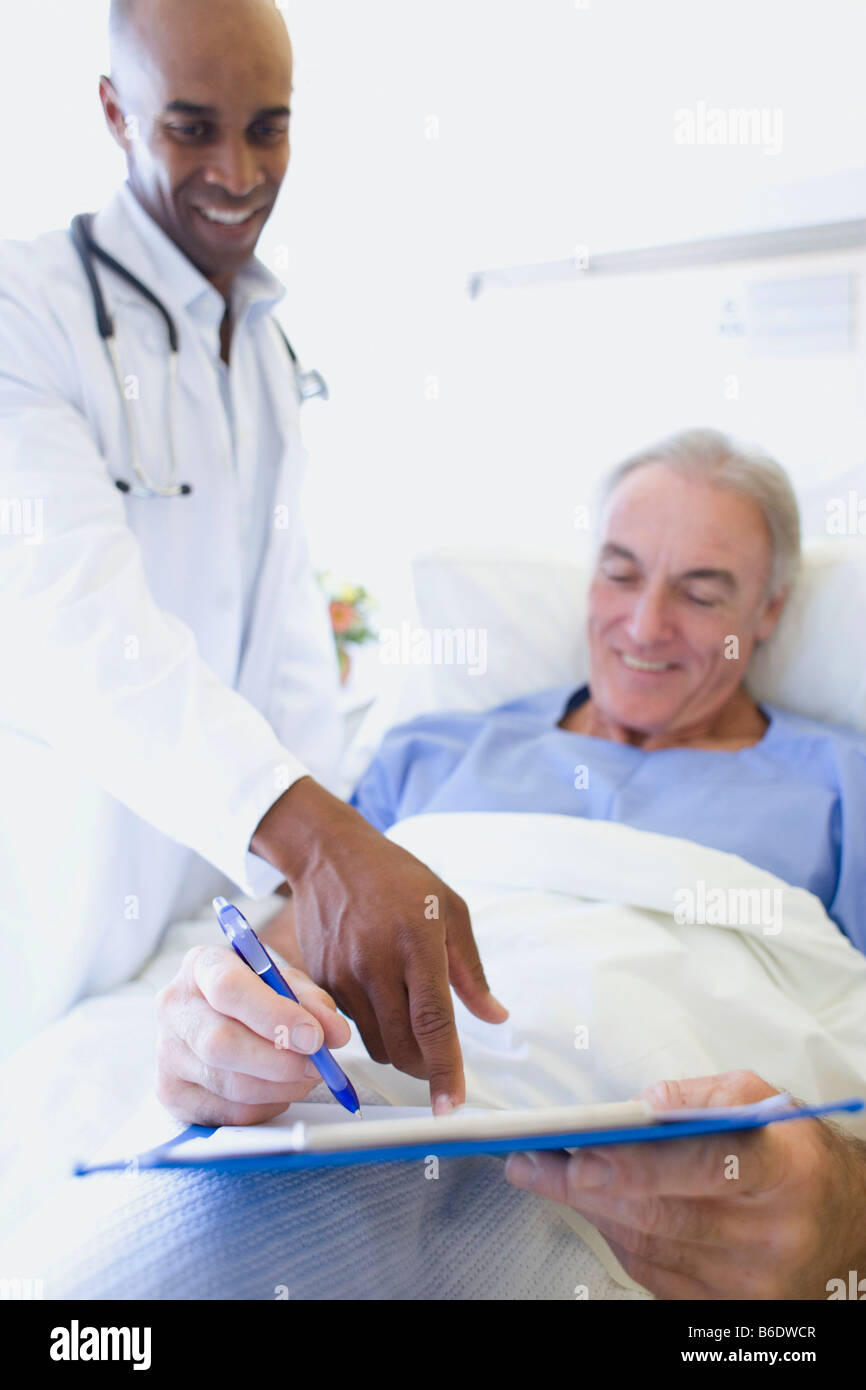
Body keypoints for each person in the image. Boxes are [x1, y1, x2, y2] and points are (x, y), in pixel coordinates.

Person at [0, 0, 506, 1116]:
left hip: (202, 915)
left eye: (266, 128)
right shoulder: (22, 311)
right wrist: (319, 842)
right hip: (53, 895)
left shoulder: (267, 348)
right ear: (112, 112)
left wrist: (306, 893)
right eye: (190, 129)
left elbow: (282, 655)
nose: (236, 171)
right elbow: (70, 622)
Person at [341, 427, 866, 1298]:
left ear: (767, 614)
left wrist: (846, 1223)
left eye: (701, 593)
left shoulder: (842, 789)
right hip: (375, 1147)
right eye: (621, 575)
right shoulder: (430, 753)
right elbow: (292, 954)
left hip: (674, 1220)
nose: (645, 624)